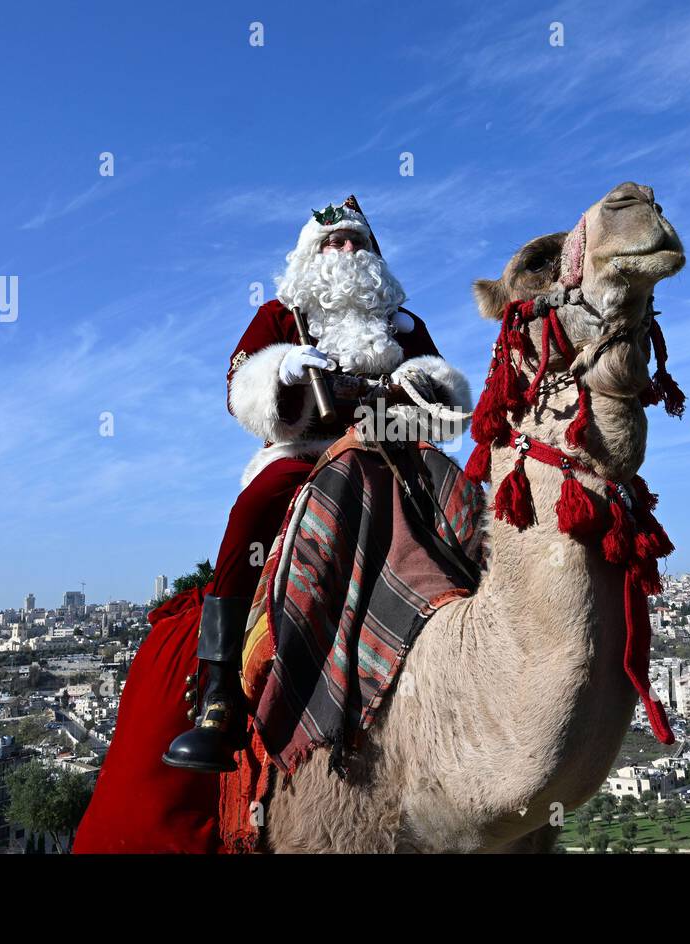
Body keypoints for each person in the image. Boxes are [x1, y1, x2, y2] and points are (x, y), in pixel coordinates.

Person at [162, 197, 471, 771]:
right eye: (332, 243)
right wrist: (279, 371)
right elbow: (239, 390)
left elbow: (449, 406)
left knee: (468, 506)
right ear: (311, 254)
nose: (345, 251)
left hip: (393, 451)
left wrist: (417, 383)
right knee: (256, 505)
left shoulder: (403, 325)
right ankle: (220, 686)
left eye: (355, 241)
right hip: (305, 453)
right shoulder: (281, 315)